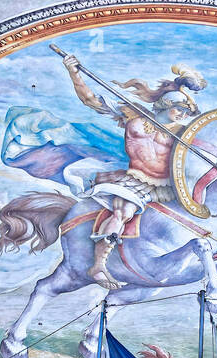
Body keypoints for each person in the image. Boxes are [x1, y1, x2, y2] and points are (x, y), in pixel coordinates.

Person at [61, 54, 205, 288]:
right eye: (180, 108)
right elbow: (91, 100)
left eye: (187, 111)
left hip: (168, 187)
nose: (183, 114)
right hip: (135, 180)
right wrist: (74, 72)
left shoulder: (184, 133)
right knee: (123, 210)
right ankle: (99, 264)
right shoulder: (132, 117)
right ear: (166, 104)